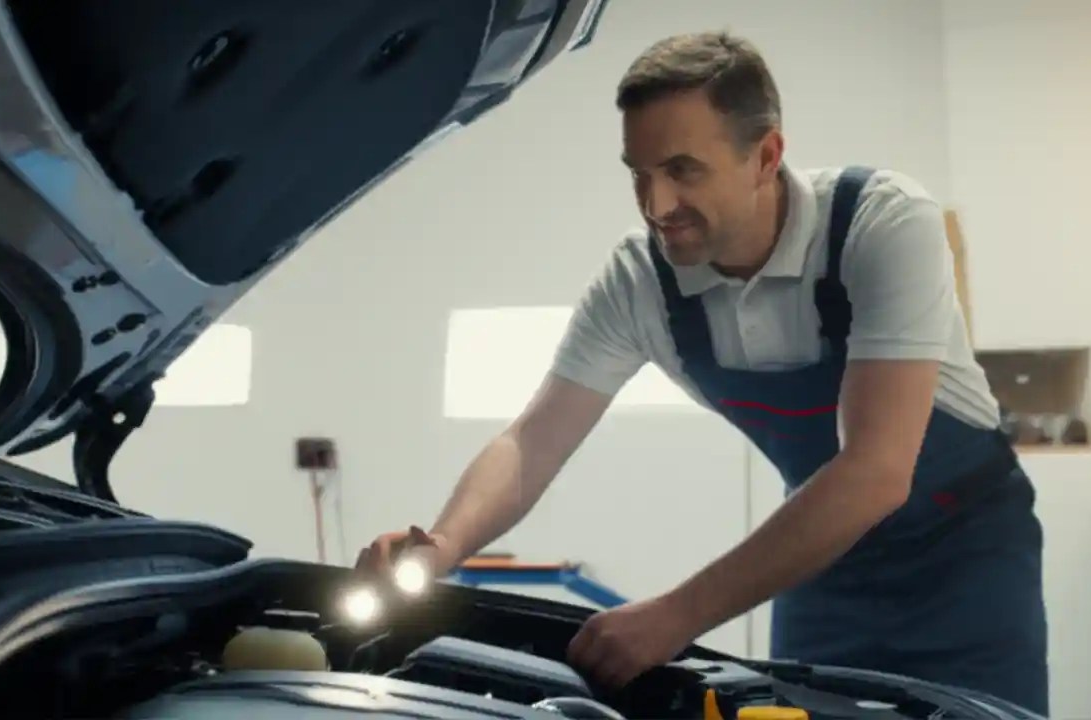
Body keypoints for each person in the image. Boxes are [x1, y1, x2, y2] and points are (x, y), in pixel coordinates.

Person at [359, 31, 1049, 715]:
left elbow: (874, 472)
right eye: (639, 174)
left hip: (967, 561)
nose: (657, 206)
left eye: (683, 170)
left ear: (766, 155)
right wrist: (444, 545)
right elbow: (532, 442)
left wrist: (677, 616)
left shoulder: (883, 223)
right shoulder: (639, 282)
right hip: (818, 565)